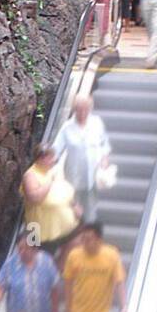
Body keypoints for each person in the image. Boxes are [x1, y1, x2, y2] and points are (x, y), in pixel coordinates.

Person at [53, 95, 112, 226]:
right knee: (72, 211)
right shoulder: (67, 127)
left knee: (90, 209)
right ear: (74, 109)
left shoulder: (96, 122)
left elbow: (104, 144)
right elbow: (55, 151)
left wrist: (104, 159)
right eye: (79, 109)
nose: (83, 113)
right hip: (73, 177)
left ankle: (88, 233)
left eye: (86, 109)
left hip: (93, 177)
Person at [18, 145, 79, 253]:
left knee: (69, 251)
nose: (53, 160)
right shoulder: (30, 175)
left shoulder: (52, 170)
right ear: (40, 159)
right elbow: (34, 198)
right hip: (36, 227)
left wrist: (74, 205)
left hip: (62, 226)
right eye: (50, 158)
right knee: (34, 258)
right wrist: (50, 181)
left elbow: (64, 190)